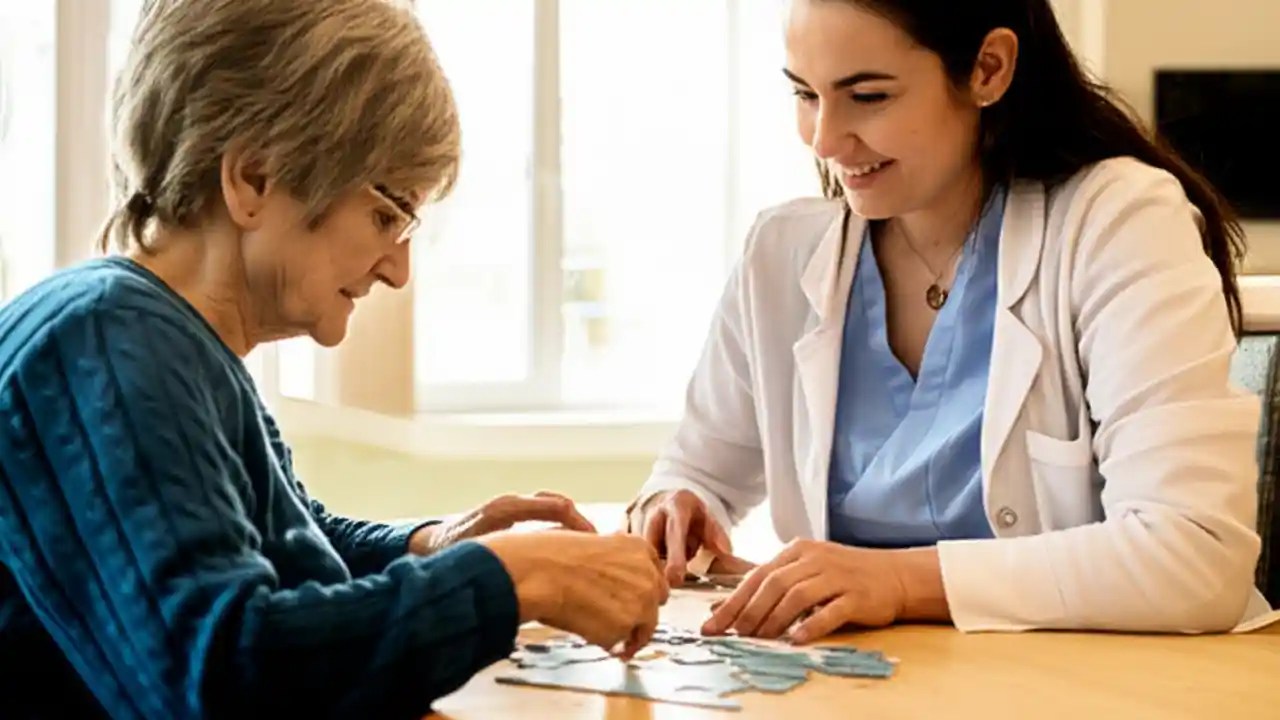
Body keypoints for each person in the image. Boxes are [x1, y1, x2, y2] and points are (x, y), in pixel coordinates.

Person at [0, 1, 667, 717]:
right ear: (252, 178)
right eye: (387, 215)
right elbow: (224, 674)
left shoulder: (151, 333)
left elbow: (283, 544)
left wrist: (432, 546)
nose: (398, 270)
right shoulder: (111, 343)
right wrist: (508, 580)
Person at [628, 0, 1272, 641]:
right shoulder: (782, 251)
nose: (824, 140)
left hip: (1094, 689)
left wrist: (899, 582)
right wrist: (673, 508)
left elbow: (1195, 554)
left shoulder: (1119, 222)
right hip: (860, 687)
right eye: (805, 95)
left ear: (988, 69)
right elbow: (699, 472)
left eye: (869, 96)